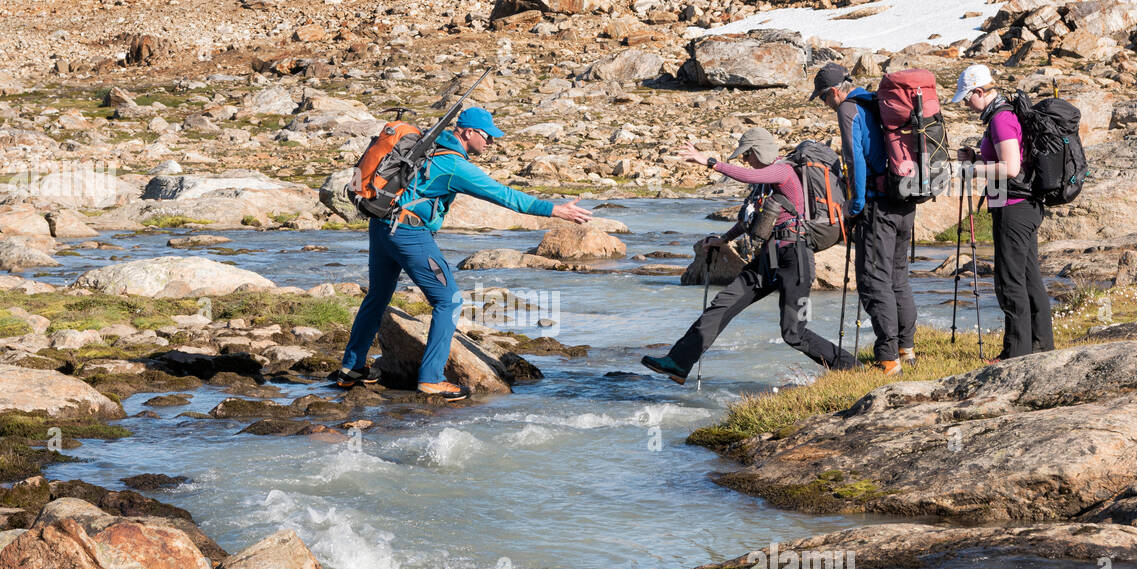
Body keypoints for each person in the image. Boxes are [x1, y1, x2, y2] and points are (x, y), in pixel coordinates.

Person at [334, 106, 592, 401]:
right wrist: (555, 209)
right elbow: (503, 195)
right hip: (408, 234)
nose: (490, 143)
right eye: (487, 136)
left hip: (381, 226)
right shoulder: (455, 165)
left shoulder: (429, 145)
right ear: (468, 133)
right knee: (449, 300)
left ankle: (351, 368)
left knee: (377, 297)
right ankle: (431, 379)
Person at [641, 128, 856, 384]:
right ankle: (678, 362)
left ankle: (850, 367)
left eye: (747, 154)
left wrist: (710, 162)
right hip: (768, 259)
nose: (745, 160)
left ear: (758, 151)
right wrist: (723, 240)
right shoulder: (763, 186)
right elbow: (750, 221)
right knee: (723, 305)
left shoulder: (781, 170)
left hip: (795, 259)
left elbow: (747, 175)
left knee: (793, 332)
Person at [812, 62, 917, 374]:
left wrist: (854, 206)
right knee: (898, 277)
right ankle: (906, 350)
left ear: (834, 91)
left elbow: (854, 160)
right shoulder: (877, 102)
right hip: (904, 200)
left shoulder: (848, 110)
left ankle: (888, 359)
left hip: (877, 206)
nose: (824, 105)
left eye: (822, 98)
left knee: (874, 281)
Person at [951, 63, 1054, 361]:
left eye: (968, 97)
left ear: (980, 92)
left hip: (1013, 208)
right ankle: (1041, 348)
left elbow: (1011, 168)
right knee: (1029, 277)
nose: (967, 105)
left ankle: (1015, 355)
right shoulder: (1006, 113)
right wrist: (979, 155)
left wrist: (973, 167)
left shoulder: (1000, 119)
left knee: (1009, 282)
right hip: (1025, 206)